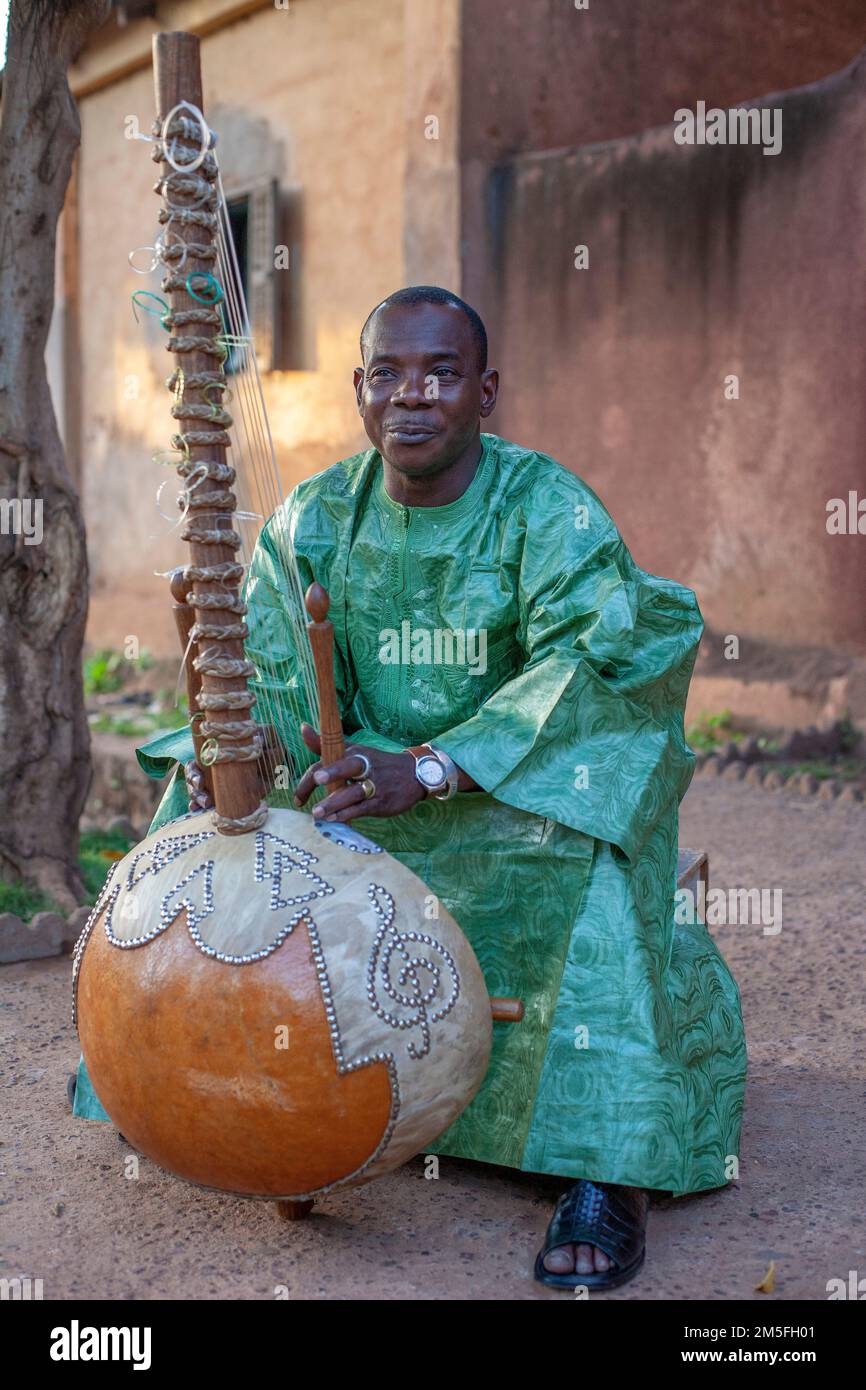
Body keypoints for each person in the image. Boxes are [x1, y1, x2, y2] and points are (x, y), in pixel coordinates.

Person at [73, 285, 746, 1291]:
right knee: (208, 808)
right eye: (386, 373)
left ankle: (599, 1170)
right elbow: (267, 663)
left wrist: (430, 768)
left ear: (484, 390)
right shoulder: (312, 516)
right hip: (356, 785)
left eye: (438, 372)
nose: (410, 395)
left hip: (501, 786)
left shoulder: (545, 510)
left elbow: (601, 662)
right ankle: (207, 1084)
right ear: (358, 390)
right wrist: (280, 745)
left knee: (584, 861)